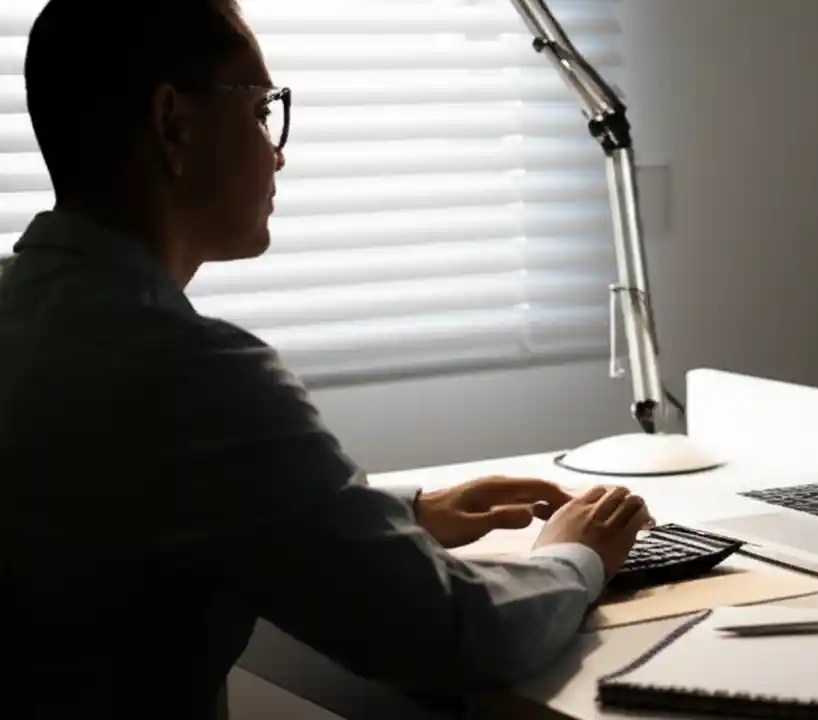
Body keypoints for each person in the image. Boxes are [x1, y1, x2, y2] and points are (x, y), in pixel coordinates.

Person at [0, 1, 651, 717]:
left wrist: (409, 512)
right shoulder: (191, 375)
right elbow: (449, 634)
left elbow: (159, 505)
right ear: (172, 124)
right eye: (260, 111)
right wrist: (575, 556)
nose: (277, 152)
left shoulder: (29, 314)